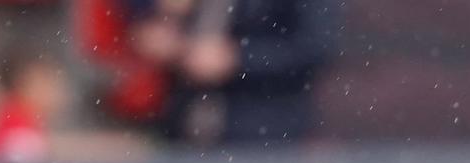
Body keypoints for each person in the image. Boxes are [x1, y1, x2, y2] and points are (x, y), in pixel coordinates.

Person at [128, 0, 336, 144]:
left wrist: (239, 58)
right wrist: (166, 30)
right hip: (184, 128)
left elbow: (315, 47)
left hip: (266, 131)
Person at [0, 47, 70, 163]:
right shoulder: (22, 139)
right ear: (24, 86)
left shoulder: (10, 124)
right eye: (48, 83)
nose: (56, 92)